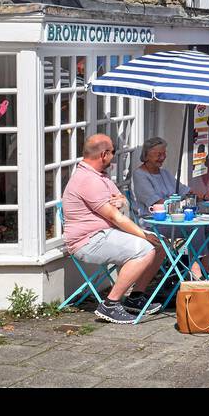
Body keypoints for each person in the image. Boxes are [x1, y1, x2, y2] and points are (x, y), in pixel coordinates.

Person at [63, 133, 165, 325]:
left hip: (104, 234)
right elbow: (114, 216)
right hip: (88, 241)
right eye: (113, 152)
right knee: (146, 248)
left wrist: (121, 201)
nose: (113, 156)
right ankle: (110, 304)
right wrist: (144, 234)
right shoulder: (88, 180)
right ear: (103, 154)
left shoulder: (99, 176)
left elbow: (121, 200)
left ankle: (135, 297)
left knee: (160, 246)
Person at [131, 136, 201, 216]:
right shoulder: (140, 175)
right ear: (146, 156)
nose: (162, 157)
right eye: (158, 154)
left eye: (164, 153)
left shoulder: (164, 173)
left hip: (173, 217)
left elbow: (184, 191)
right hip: (152, 221)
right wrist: (181, 206)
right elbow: (157, 204)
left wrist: (204, 196)